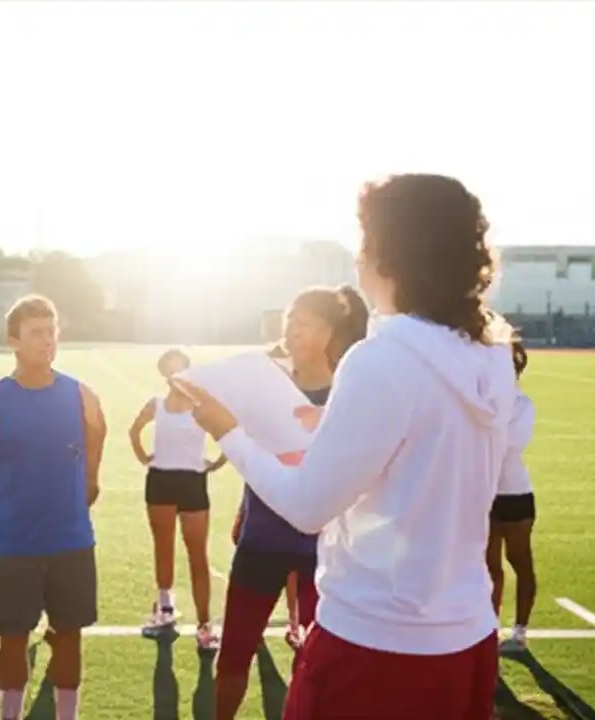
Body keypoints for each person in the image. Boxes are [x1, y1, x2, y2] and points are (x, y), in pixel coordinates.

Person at [179, 174, 514, 719]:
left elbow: (307, 508)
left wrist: (227, 431)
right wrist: (335, 421)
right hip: (465, 636)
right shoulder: (489, 354)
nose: (358, 256)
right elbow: (424, 447)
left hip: (374, 644)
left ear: (386, 250)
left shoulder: (382, 358)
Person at [211, 285, 367, 719]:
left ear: (330, 332)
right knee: (233, 657)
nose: (294, 330)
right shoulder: (265, 385)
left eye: (306, 323)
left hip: (323, 550)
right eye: (290, 320)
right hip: (261, 542)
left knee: (318, 664)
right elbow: (250, 450)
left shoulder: (349, 395)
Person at [0, 294, 106, 720]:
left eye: (52, 331)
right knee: (13, 639)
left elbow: (94, 456)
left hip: (71, 541)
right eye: (36, 333)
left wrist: (80, 487)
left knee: (69, 637)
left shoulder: (81, 395)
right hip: (17, 543)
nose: (47, 340)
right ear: (13, 341)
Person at [129, 348, 226, 648]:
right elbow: (134, 431)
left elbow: (228, 433)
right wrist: (144, 458)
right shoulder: (156, 405)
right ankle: (165, 608)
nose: (176, 376)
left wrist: (216, 463)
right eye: (170, 371)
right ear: (164, 374)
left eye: (180, 369)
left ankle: (204, 624)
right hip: (160, 481)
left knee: (197, 554)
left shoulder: (201, 407)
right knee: (164, 546)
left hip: (192, 483)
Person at [490, 339, 538, 652]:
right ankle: (488, 630)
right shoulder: (487, 400)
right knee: (489, 566)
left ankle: (519, 632)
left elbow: (509, 445)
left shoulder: (522, 404)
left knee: (519, 561)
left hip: (515, 492)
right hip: (487, 492)